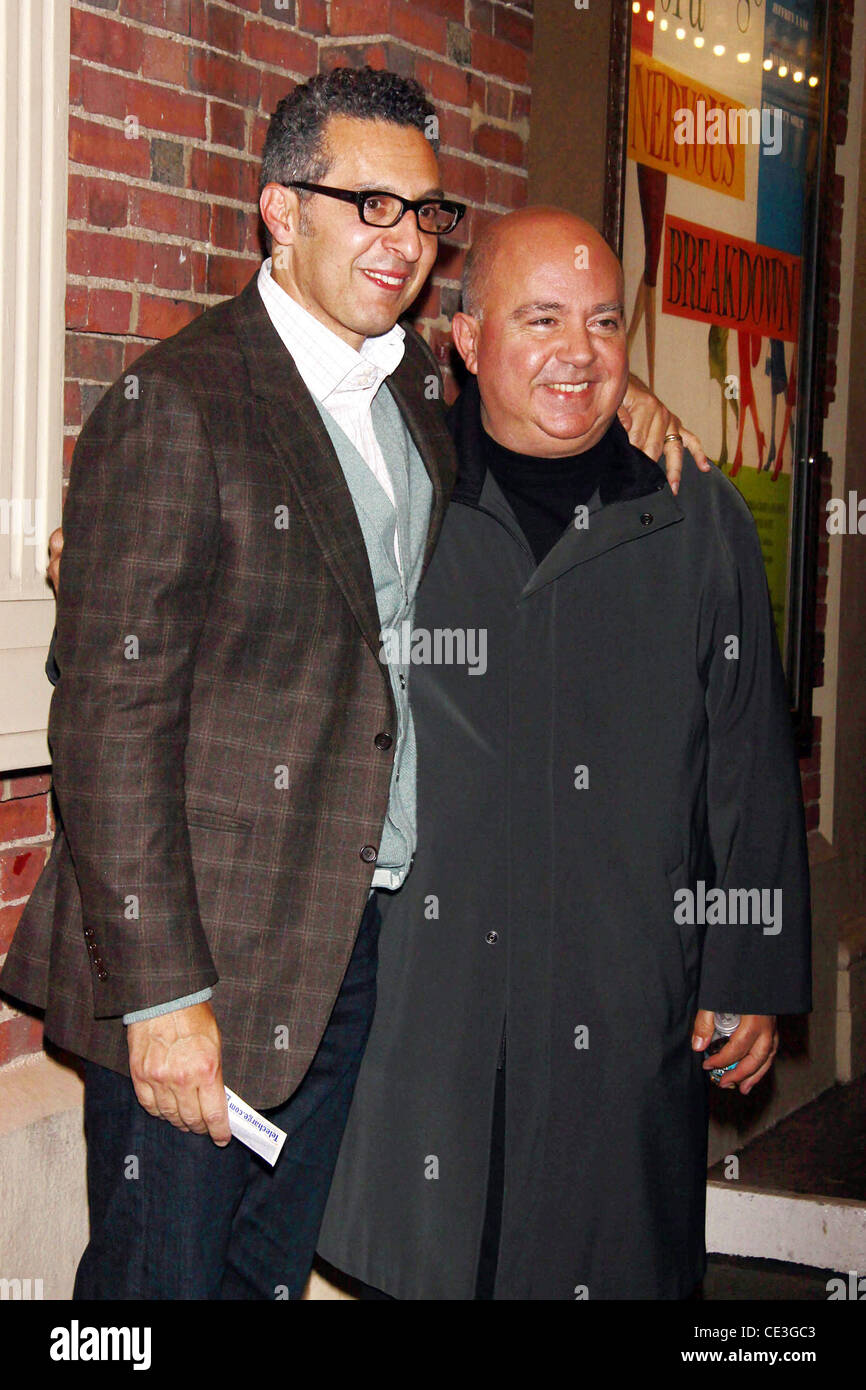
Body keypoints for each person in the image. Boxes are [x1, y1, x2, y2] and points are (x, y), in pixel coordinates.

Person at [1, 68, 698, 1302]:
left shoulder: (416, 391)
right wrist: (161, 996)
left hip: (354, 942)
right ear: (279, 210)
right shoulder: (182, 403)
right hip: (203, 958)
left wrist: (621, 391)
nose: (401, 242)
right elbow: (109, 719)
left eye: (422, 214)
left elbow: (530, 394)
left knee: (262, 1280)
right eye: (365, 204)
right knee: (150, 1295)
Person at [316, 207, 812, 1301]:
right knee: (421, 1257)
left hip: (623, 985)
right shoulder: (403, 498)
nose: (575, 353)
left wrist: (743, 969)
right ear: (466, 336)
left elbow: (743, 763)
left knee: (608, 1253)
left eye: (600, 323)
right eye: (538, 318)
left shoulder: (695, 516)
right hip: (427, 995)